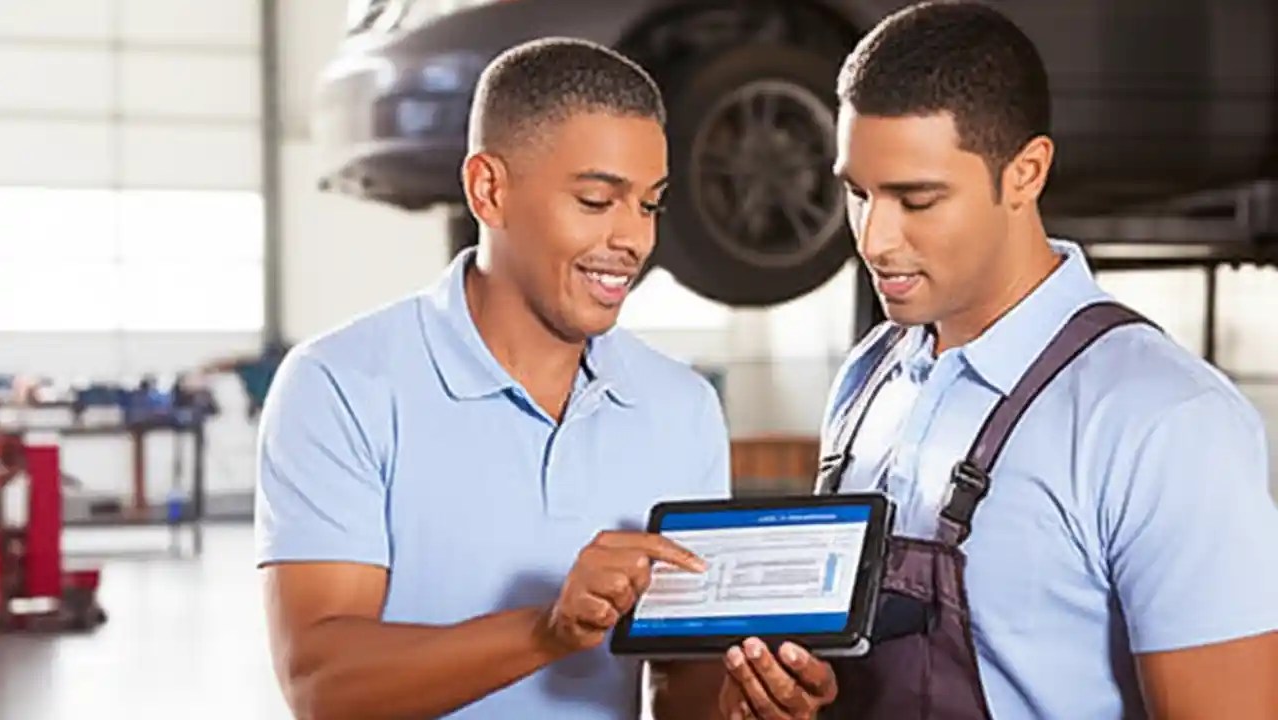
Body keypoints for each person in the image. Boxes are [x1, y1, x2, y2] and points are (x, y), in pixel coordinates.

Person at [731, 2, 1278, 718]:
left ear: (1025, 173)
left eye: (917, 199)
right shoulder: (867, 383)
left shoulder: (1162, 419)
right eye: (858, 193)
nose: (875, 239)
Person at [254, 38, 821, 720]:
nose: (633, 240)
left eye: (649, 205)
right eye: (595, 200)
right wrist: (545, 630)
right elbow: (323, 685)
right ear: (488, 189)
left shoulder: (682, 407)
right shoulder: (339, 385)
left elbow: (678, 685)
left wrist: (749, 700)